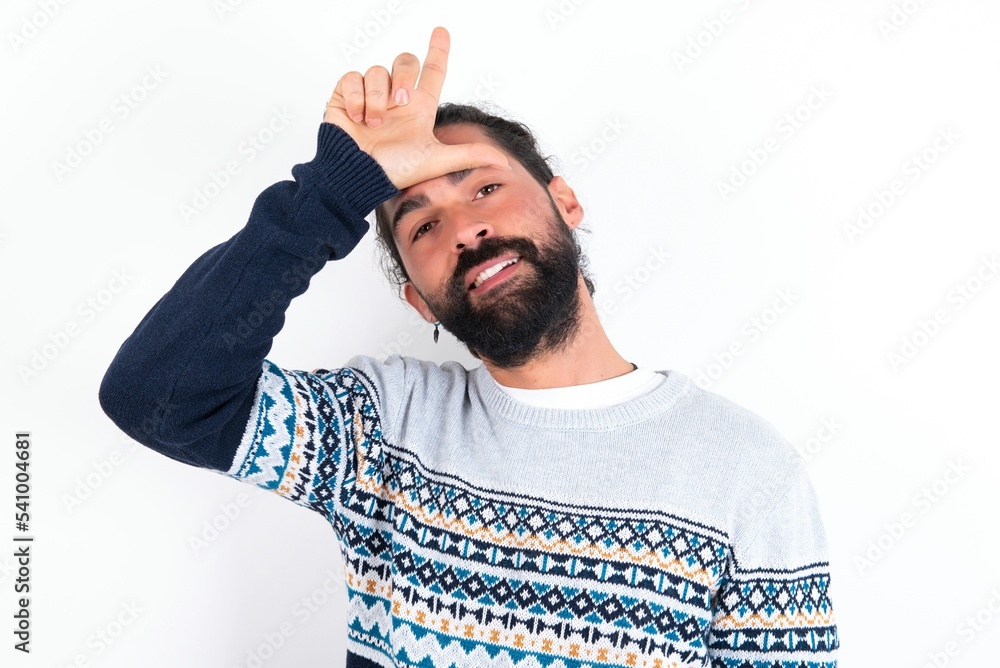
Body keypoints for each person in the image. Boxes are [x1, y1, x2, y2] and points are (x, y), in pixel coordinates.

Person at [99, 26, 839, 668]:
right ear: (418, 299)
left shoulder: (748, 471)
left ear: (566, 203)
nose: (462, 228)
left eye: (481, 187)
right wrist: (329, 192)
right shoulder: (383, 429)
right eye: (420, 225)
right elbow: (159, 395)